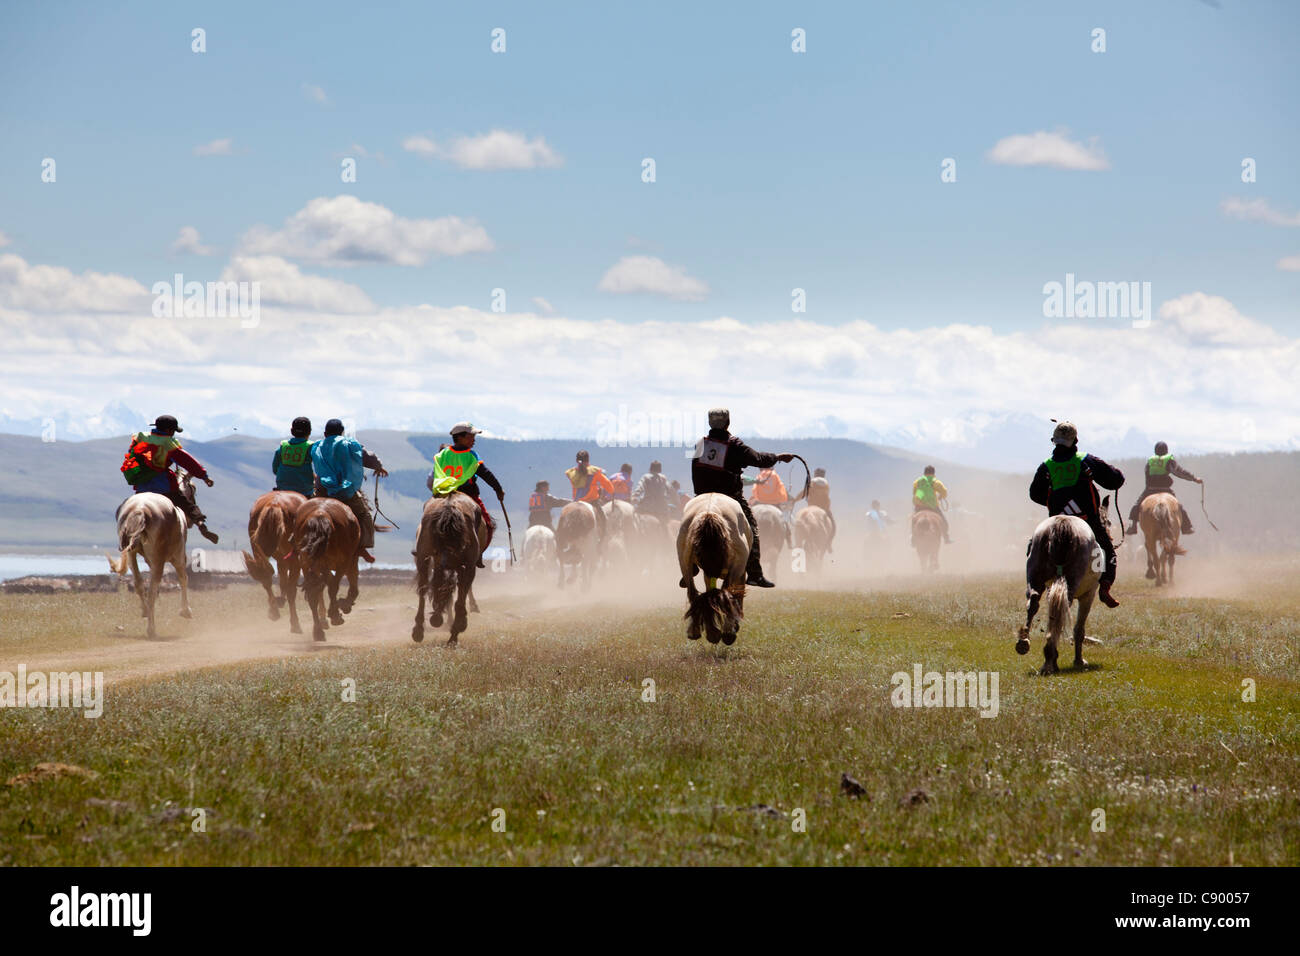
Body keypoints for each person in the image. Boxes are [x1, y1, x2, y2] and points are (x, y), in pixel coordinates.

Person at [690, 408, 794, 588]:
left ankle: (689, 564)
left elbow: (695, 469)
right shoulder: (734, 445)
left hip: (702, 496)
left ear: (709, 423)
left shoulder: (700, 444)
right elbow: (759, 459)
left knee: (688, 524)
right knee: (752, 528)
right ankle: (754, 573)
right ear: (728, 422)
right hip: (730, 495)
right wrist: (777, 457)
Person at [1029, 420, 1125, 609]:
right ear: (1075, 441)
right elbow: (1116, 479)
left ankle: (1035, 587)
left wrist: (1052, 502)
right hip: (1087, 520)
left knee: (1034, 547)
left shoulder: (1046, 466)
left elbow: (1034, 494)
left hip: (1056, 520)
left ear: (1053, 441)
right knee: (1107, 551)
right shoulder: (1085, 460)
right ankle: (1104, 588)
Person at [121, 414, 219, 543]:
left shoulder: (140, 438)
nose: (173, 434)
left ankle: (124, 539)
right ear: (168, 430)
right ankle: (201, 525)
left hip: (142, 487)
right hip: (164, 487)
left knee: (128, 507)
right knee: (186, 504)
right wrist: (204, 476)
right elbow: (187, 461)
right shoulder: (168, 443)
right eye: (172, 431)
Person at [428, 422, 505, 568]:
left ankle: (425, 549)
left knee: (428, 517)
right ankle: (477, 554)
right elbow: (485, 473)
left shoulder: (442, 455)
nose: (474, 439)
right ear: (461, 437)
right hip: (468, 495)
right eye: (471, 436)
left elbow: (437, 474)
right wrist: (498, 489)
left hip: (443, 494)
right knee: (488, 524)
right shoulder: (471, 456)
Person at [310, 419, 387, 564]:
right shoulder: (350, 444)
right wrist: (378, 466)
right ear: (342, 432)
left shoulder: (316, 446)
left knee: (303, 515)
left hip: (322, 492)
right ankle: (362, 547)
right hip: (344, 493)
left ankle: (295, 545)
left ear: (325, 434)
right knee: (364, 516)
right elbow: (369, 457)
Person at [1126, 441, 1201, 535]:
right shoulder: (1168, 460)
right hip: (1165, 490)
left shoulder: (1151, 461)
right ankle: (1186, 527)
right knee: (1179, 507)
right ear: (1166, 451)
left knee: (1137, 505)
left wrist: (1148, 487)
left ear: (1155, 451)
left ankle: (1133, 527)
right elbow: (1179, 472)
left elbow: (1147, 475)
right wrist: (1194, 478)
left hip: (1150, 489)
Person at [565, 450, 614, 542]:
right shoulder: (595, 471)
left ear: (577, 460)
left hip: (576, 502)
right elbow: (608, 485)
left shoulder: (571, 473)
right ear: (588, 459)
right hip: (592, 502)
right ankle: (601, 541)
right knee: (604, 519)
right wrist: (611, 491)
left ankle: (563, 544)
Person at [272, 416, 315, 496]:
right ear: (309, 432)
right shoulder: (311, 447)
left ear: (292, 431)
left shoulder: (283, 446)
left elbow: (275, 470)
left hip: (282, 487)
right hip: (304, 491)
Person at [911, 465, 952, 545]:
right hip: (932, 507)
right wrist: (940, 497)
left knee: (914, 521)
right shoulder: (935, 481)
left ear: (924, 472)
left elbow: (914, 493)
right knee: (944, 522)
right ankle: (946, 538)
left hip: (919, 507)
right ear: (933, 473)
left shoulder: (917, 482)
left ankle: (913, 539)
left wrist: (921, 496)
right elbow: (944, 492)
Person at [806, 467, 837, 551]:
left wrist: (795, 500)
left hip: (811, 507)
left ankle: (799, 543)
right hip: (824, 508)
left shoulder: (812, 482)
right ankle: (828, 544)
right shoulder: (826, 484)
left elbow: (805, 493)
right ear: (824, 475)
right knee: (833, 526)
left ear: (815, 474)